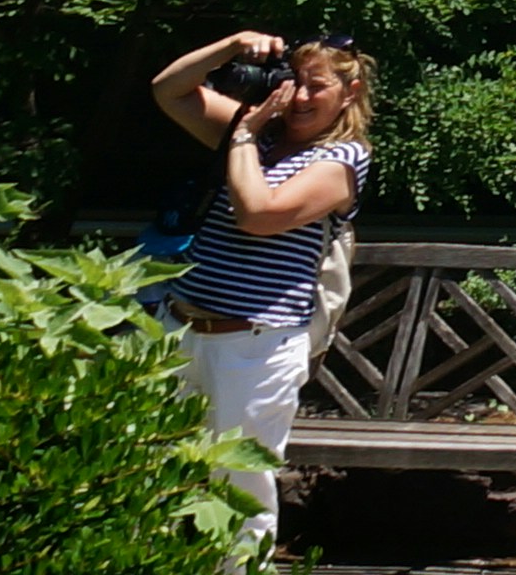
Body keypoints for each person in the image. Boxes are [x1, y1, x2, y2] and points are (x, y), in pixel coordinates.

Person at [143, 27, 377, 537]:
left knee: (239, 489)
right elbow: (169, 90)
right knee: (154, 476)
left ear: (349, 93)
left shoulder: (342, 160)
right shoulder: (254, 134)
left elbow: (259, 214)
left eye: (317, 86)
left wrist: (245, 136)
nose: (301, 97)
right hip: (179, 330)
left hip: (256, 347)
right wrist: (229, 46)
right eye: (293, 81)